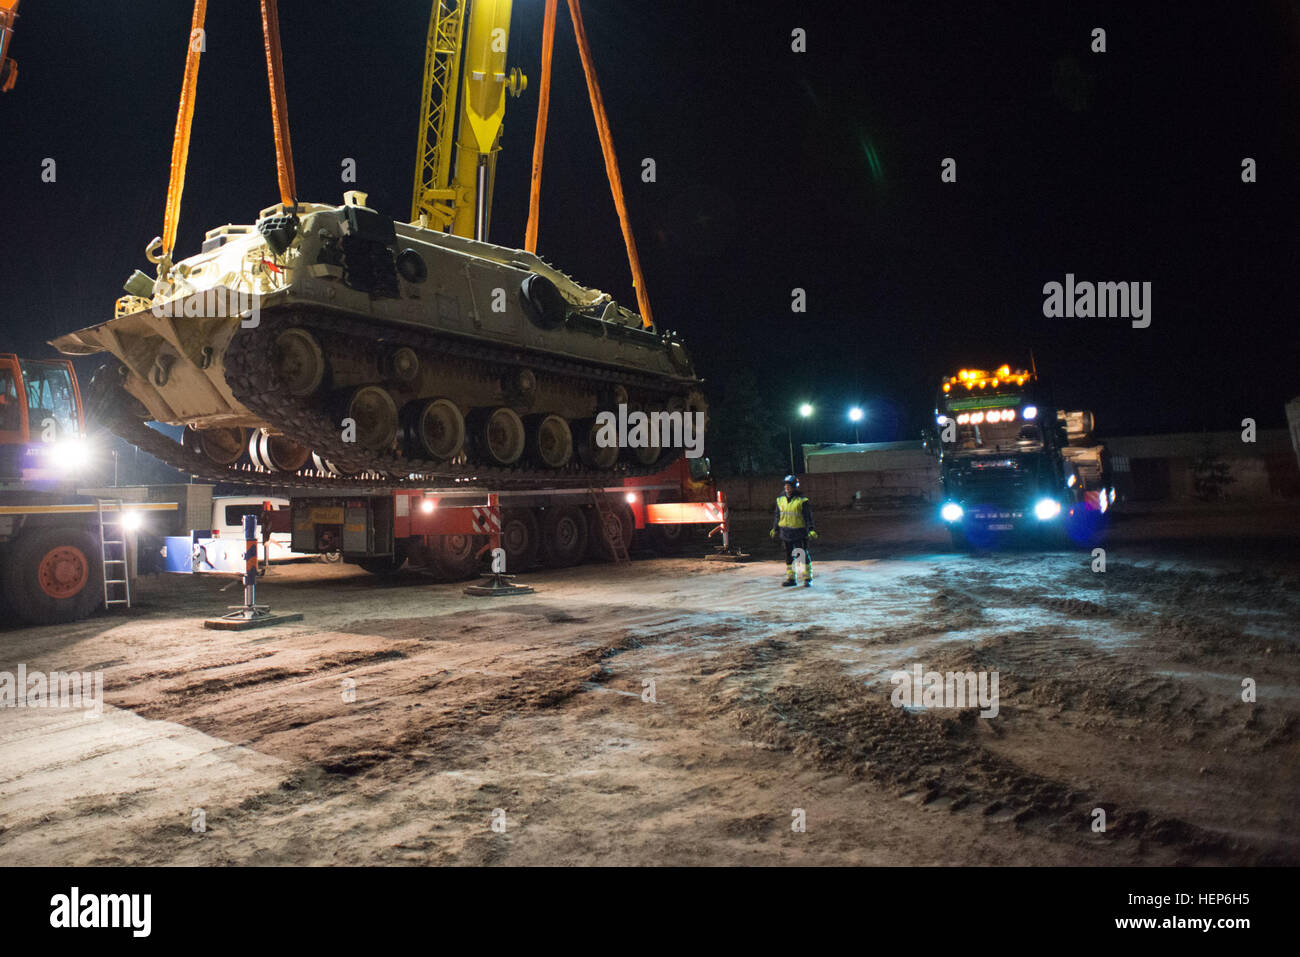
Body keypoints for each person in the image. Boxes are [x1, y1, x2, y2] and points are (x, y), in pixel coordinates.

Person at [770, 474, 817, 586]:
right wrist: (775, 528)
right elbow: (778, 515)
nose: (787, 487)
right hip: (785, 532)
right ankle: (791, 579)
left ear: (795, 486)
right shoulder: (780, 499)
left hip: (799, 532)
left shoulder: (802, 500)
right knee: (788, 556)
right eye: (786, 485)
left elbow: (807, 516)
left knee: (801, 555)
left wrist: (811, 529)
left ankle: (807, 579)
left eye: (789, 485)